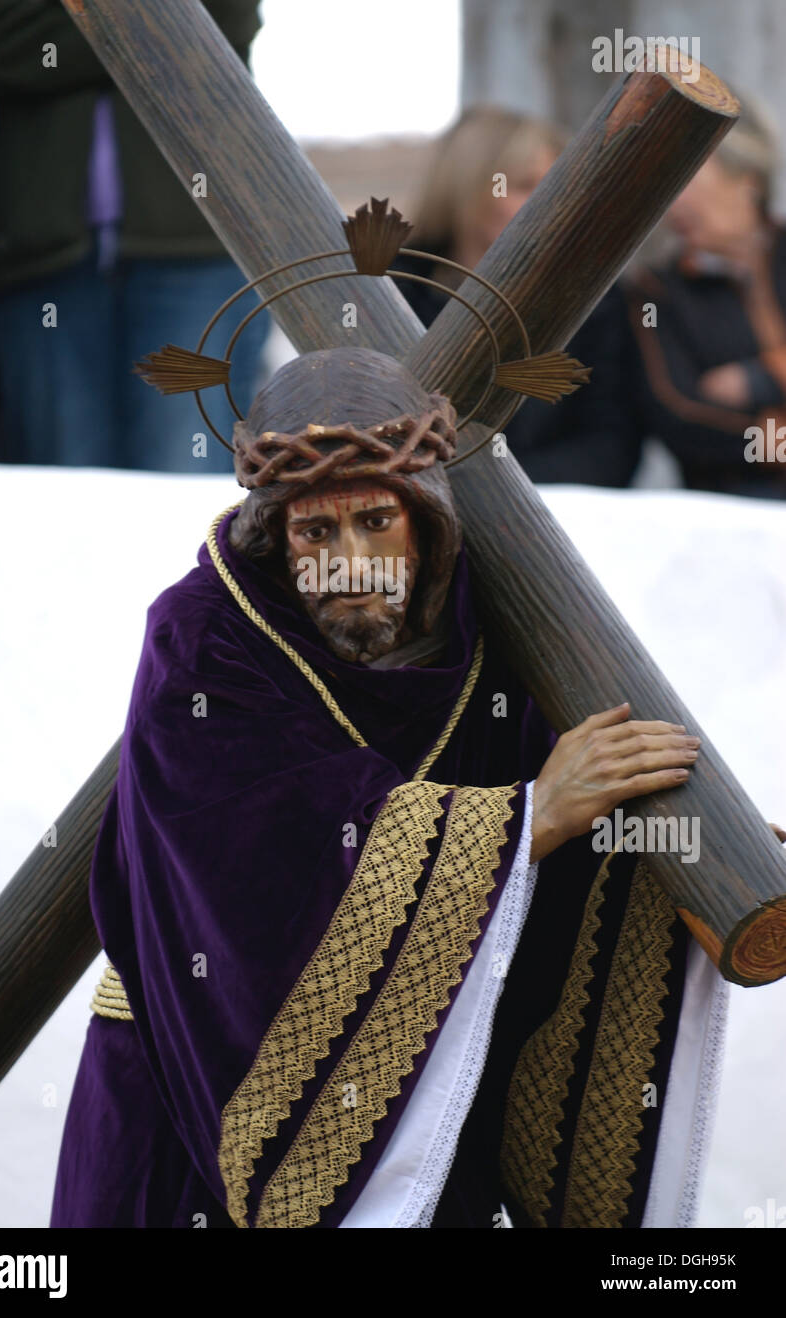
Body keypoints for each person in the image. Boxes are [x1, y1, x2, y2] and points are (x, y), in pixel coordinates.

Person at [50, 336, 727, 1229]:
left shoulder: (488, 623)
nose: (351, 561)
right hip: (196, 1089)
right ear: (275, 539)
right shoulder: (208, 638)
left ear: (427, 517)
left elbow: (584, 805)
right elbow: (259, 867)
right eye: (315, 531)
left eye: (377, 521)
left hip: (423, 1087)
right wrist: (526, 822)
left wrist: (682, 847)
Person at [0, 0, 271, 472]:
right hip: (42, 268)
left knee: (183, 498)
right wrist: (155, 23)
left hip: (198, 256)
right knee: (61, 504)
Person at [392, 106, 643, 487]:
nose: (548, 205)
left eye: (556, 187)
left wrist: (499, 496)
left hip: (554, 515)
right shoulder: (394, 291)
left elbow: (612, 444)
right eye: (526, 186)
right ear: (469, 187)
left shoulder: (594, 296)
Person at [626, 93, 786, 497]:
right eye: (661, 182)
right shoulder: (655, 293)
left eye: (686, 177)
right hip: (735, 508)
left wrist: (763, 377)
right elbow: (681, 416)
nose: (671, 201)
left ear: (747, 176)